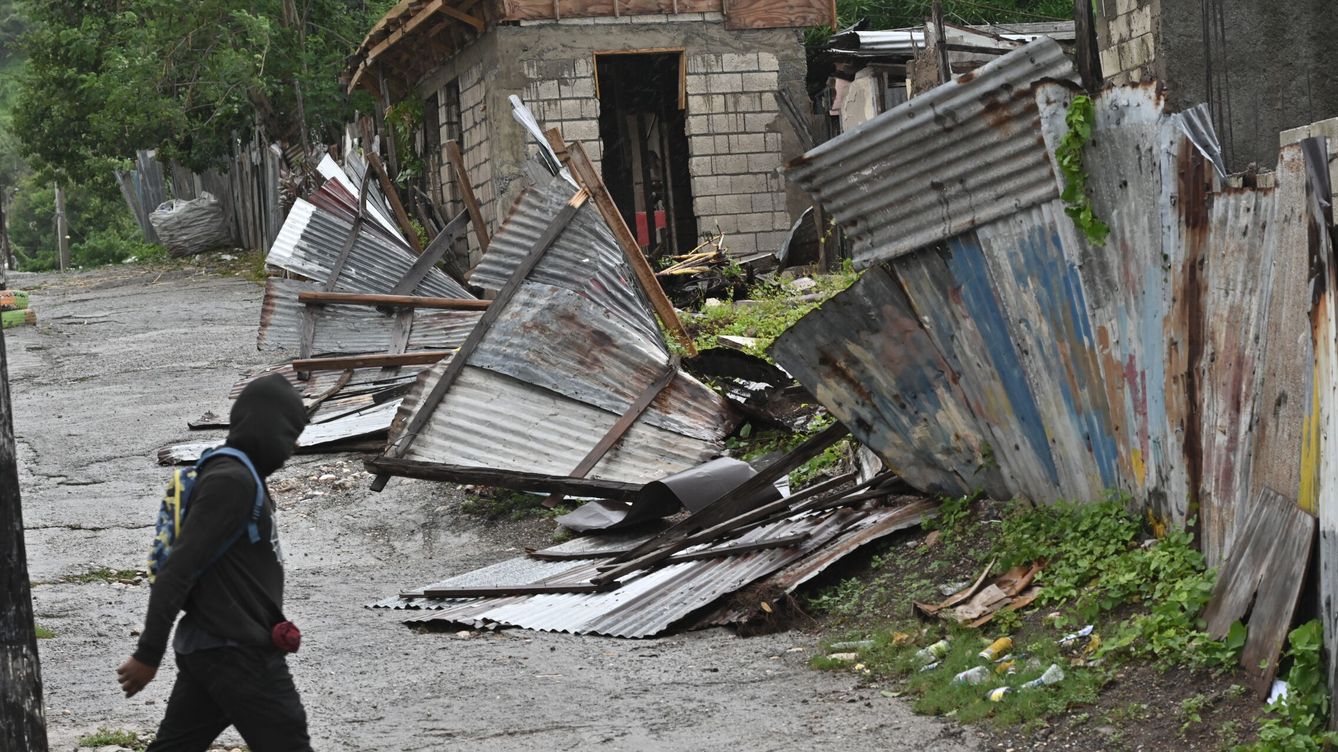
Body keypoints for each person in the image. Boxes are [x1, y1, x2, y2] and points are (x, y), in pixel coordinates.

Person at [117, 374, 312, 752]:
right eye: (289, 435)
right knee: (289, 741)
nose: (292, 449)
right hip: (238, 653)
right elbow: (178, 568)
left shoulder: (239, 475)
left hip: (212, 648)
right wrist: (148, 653)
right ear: (265, 428)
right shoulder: (231, 481)